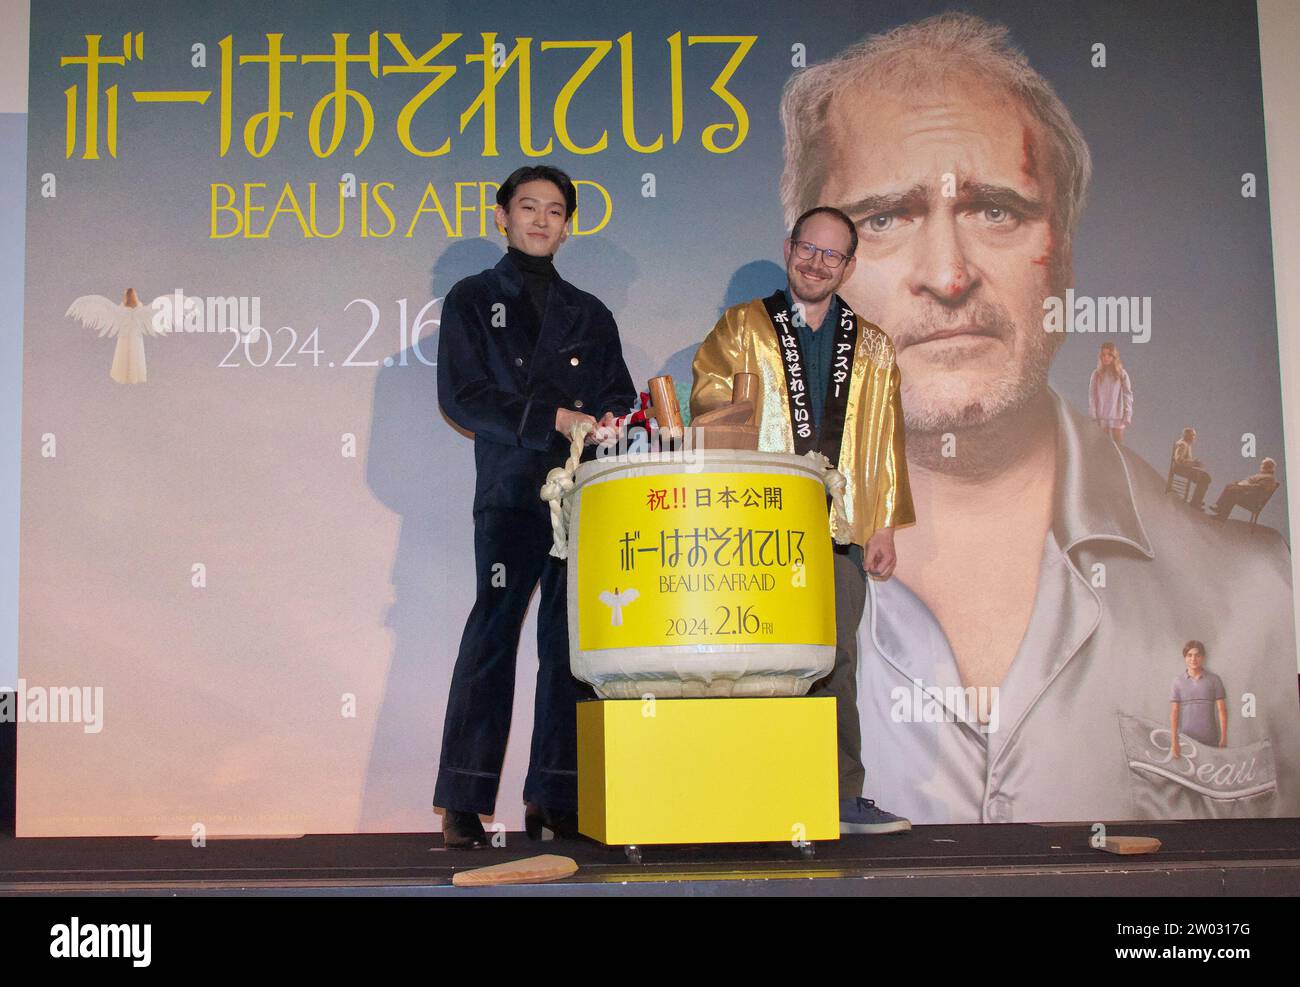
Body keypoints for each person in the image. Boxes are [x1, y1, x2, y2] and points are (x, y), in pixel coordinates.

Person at [777, 11, 1300, 821]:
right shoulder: (754, 587)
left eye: (996, 211)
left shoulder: (1259, 595)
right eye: (885, 218)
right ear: (815, 267)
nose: (948, 276)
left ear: (1064, 252)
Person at [691, 205, 916, 834]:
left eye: (832, 255)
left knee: (837, 660)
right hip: (759, 527)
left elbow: (885, 438)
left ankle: (841, 796)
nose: (817, 263)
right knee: (754, 661)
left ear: (850, 264)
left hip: (840, 531)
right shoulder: (742, 326)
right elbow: (706, 397)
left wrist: (885, 524)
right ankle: (751, 793)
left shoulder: (871, 344)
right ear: (789, 247)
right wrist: (729, 404)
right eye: (807, 249)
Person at [434, 165, 636, 847]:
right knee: (492, 638)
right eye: (529, 207)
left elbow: (619, 396)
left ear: (569, 224)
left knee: (569, 648)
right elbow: (462, 396)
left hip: (584, 500)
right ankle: (462, 798)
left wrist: (608, 422)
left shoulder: (591, 311)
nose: (542, 220)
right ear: (501, 214)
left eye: (555, 210)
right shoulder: (471, 299)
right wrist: (551, 415)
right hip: (511, 492)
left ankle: (555, 794)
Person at [1170, 640, 1227, 755]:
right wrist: (1174, 741)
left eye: (1197, 655)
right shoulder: (1177, 682)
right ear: (1185, 657)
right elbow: (1175, 712)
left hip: (1210, 739)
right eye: (1189, 655)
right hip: (1186, 741)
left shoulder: (1214, 680)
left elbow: (1222, 711)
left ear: (1203, 657)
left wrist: (1223, 737)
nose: (1193, 659)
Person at [1088, 342, 1133, 443]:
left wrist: (1127, 414)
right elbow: (1092, 396)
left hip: (1118, 418)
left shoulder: (1121, 374)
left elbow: (1128, 394)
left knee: (1119, 449)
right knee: (1104, 447)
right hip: (1102, 417)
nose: (1106, 358)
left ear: (1114, 356)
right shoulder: (1096, 374)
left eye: (1109, 355)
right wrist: (1093, 414)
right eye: (1103, 355)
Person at [1209, 457, 1279, 519]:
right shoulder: (1264, 475)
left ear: (1267, 467)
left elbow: (1258, 488)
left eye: (1262, 465)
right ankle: (1219, 508)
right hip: (1247, 492)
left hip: (1252, 499)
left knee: (1232, 491)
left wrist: (1243, 486)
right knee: (1229, 486)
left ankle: (1221, 515)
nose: (1261, 466)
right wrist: (1240, 484)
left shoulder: (1269, 478)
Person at [1171, 427, 1211, 509]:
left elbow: (1184, 459)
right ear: (1188, 436)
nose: (1194, 438)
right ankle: (1195, 502)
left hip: (1184, 468)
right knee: (1205, 478)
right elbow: (1179, 460)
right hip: (1180, 469)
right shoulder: (1183, 444)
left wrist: (1193, 462)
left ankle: (1197, 500)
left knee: (1205, 477)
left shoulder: (1186, 444)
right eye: (1193, 435)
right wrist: (1194, 463)